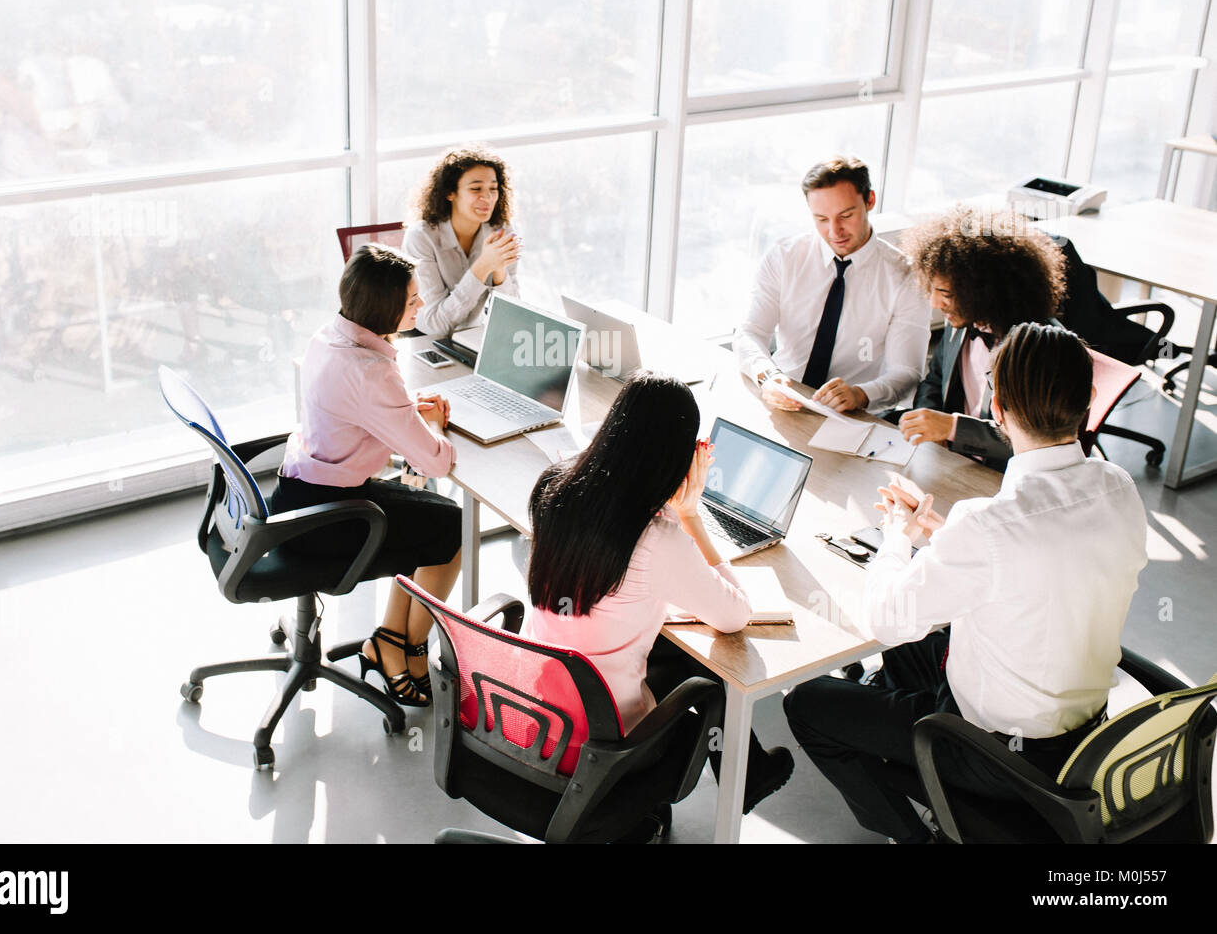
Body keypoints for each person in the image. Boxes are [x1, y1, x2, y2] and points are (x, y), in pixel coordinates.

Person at [783, 322, 1147, 843]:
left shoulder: (988, 525)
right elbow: (1044, 569)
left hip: (996, 754)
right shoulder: (1119, 487)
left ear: (995, 410)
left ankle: (917, 836)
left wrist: (896, 537)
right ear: (1088, 399)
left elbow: (887, 620)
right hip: (1085, 734)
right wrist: (946, 534)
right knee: (911, 658)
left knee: (809, 704)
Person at [525, 371, 795, 817]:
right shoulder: (656, 538)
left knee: (681, 651)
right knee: (711, 675)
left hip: (535, 709)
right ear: (674, 457)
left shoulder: (553, 488)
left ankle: (749, 776)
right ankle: (744, 778)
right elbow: (735, 616)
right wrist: (690, 516)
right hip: (603, 739)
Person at [269, 243, 462, 708]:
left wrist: (402, 414)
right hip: (327, 519)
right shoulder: (373, 371)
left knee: (429, 519)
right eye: (413, 300)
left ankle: (388, 641)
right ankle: (405, 649)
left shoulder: (330, 336)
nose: (420, 304)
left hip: (299, 493)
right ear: (386, 308)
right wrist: (431, 428)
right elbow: (436, 462)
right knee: (452, 529)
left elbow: (352, 406)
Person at [734, 155, 929, 416]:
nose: (835, 231)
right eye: (822, 219)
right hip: (783, 400)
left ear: (870, 200)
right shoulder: (784, 257)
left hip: (853, 415)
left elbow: (906, 373)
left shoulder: (905, 276)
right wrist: (767, 377)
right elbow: (749, 333)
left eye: (846, 215)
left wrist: (861, 394)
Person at [896, 205, 1066, 468]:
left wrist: (952, 428)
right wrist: (928, 424)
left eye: (946, 294)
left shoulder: (1041, 349)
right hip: (954, 462)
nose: (934, 303)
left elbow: (1035, 443)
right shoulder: (961, 320)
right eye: (932, 289)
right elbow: (935, 380)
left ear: (983, 290)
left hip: (1005, 476)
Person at [401, 144, 521, 337]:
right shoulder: (421, 237)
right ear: (450, 193)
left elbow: (514, 316)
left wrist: (499, 269)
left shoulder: (501, 230)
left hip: (475, 336)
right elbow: (434, 325)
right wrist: (482, 266)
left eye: (493, 188)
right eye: (476, 189)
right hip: (427, 340)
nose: (488, 197)